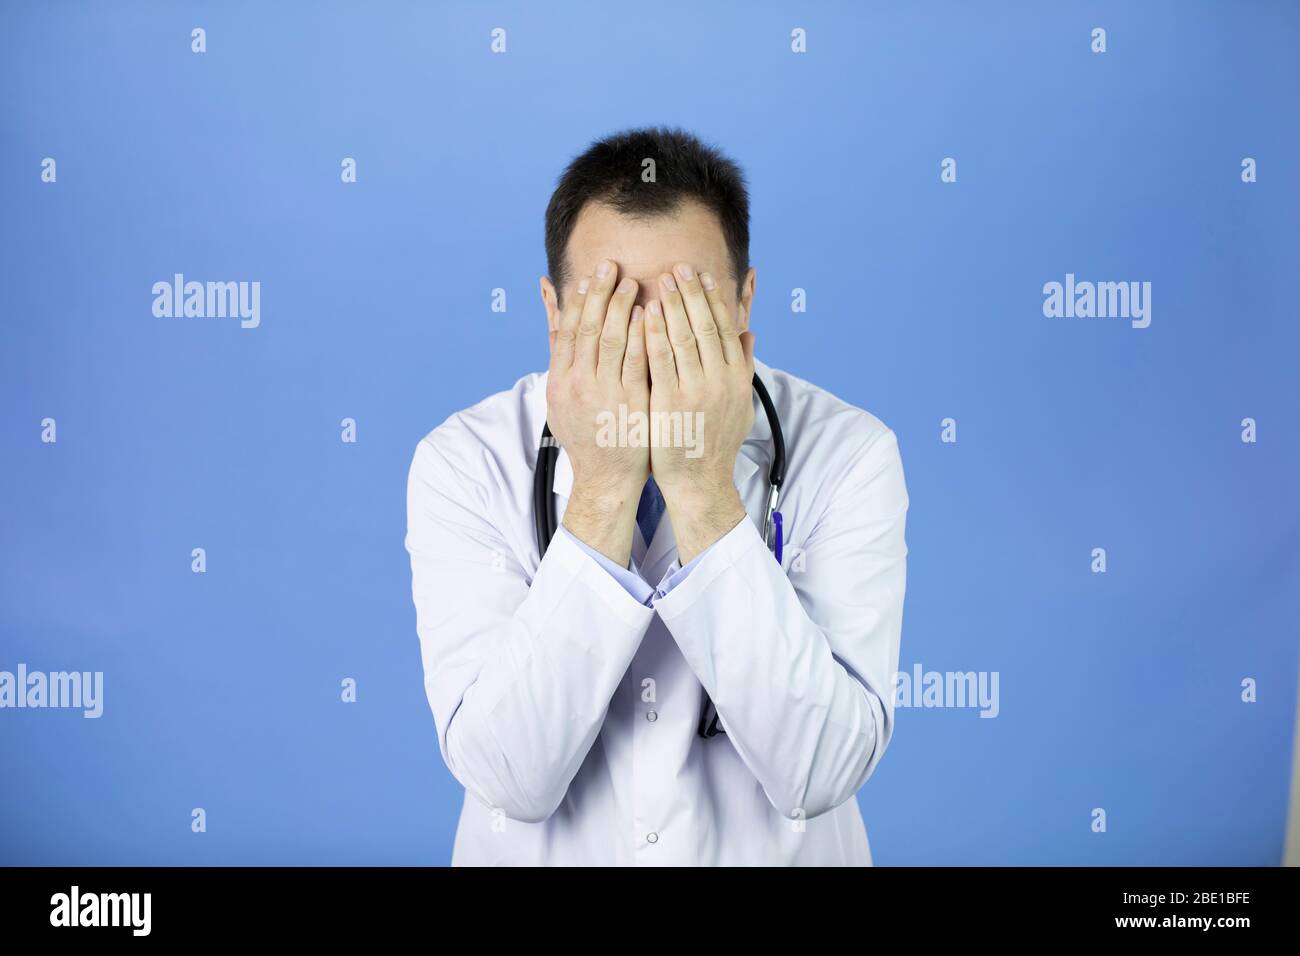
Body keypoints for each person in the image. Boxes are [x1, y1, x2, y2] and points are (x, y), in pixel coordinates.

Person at [405, 127, 909, 866]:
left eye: (686, 308)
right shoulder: (463, 461)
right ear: (554, 313)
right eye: (612, 305)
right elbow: (508, 778)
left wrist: (704, 489)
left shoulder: (849, 453)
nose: (649, 343)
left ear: (743, 302)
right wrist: (604, 486)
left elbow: (820, 771)